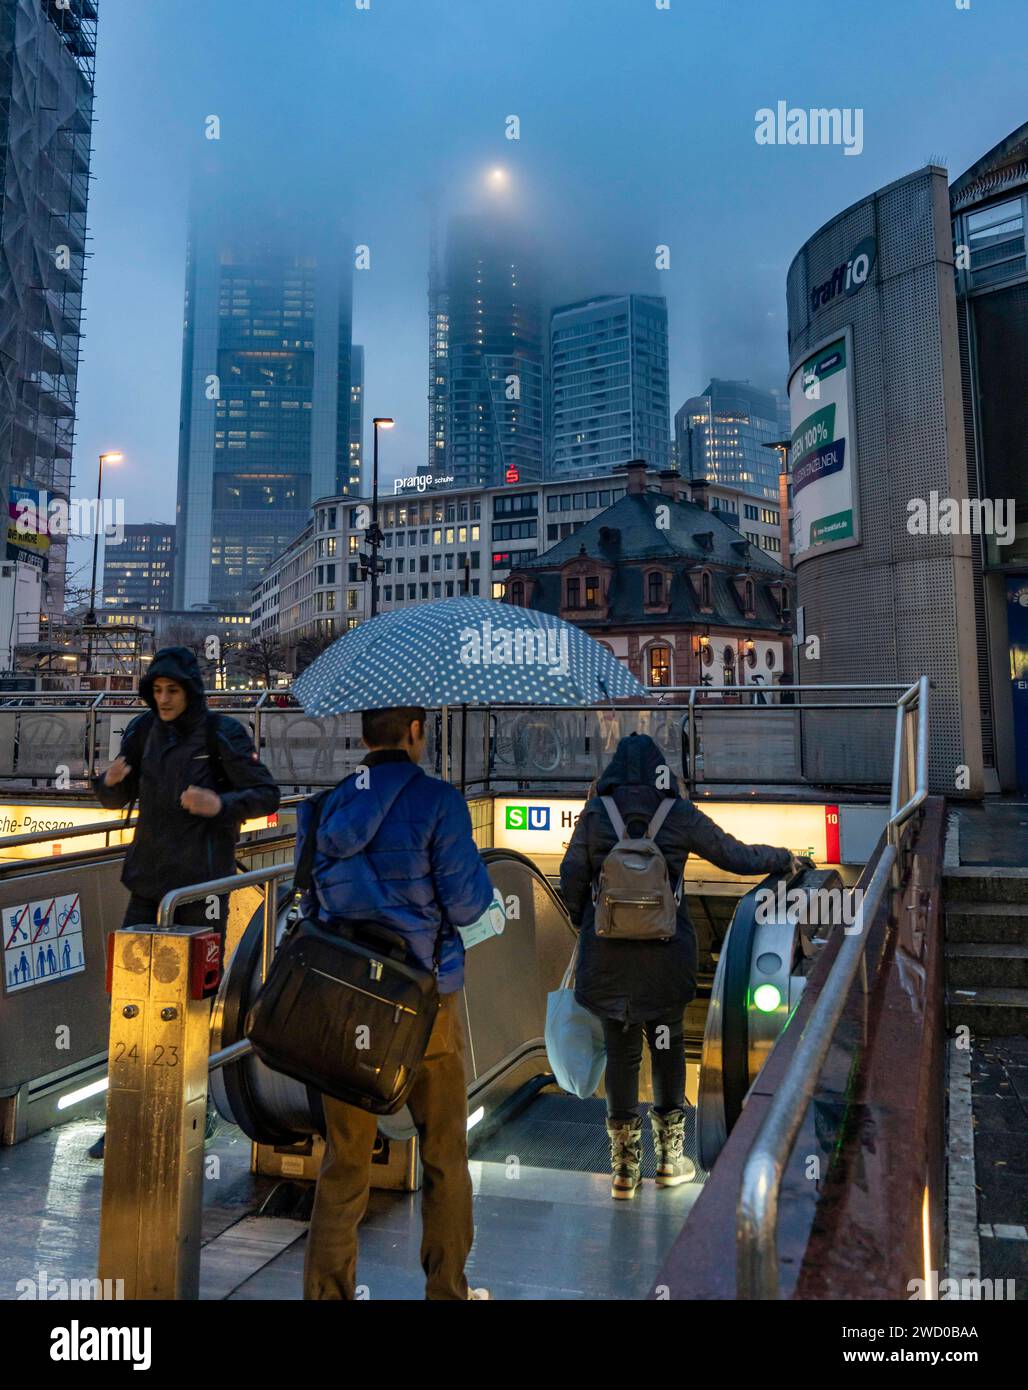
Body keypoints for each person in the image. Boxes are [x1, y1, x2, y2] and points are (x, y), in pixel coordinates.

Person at [299, 705, 495, 1302]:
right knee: (443, 1155)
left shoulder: (327, 804)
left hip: (344, 1003)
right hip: (424, 1002)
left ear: (363, 736)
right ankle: (445, 1290)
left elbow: (307, 904)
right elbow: (467, 906)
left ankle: (327, 1294)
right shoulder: (439, 802)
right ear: (415, 733)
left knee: (345, 1161)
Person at [559, 733, 801, 1200]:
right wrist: (782, 858)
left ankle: (624, 1168)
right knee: (667, 1047)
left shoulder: (594, 814)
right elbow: (734, 854)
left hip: (608, 961)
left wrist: (585, 923)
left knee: (622, 1053)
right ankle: (670, 1160)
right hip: (665, 959)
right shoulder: (676, 813)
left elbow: (571, 877)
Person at [90, 646, 280, 1157]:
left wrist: (219, 804)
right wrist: (104, 784)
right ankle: (127, 1114)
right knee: (131, 1003)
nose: (164, 699)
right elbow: (115, 797)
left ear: (190, 691)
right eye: (157, 690)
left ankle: (193, 1109)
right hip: (147, 885)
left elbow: (266, 795)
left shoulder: (223, 735)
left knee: (191, 1003)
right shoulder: (142, 732)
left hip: (199, 890)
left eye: (173, 690)